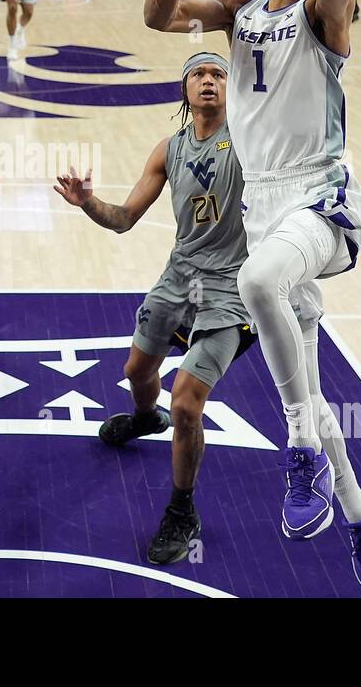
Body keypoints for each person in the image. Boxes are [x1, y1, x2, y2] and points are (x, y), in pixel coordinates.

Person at [142, 0, 361, 596]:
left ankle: (300, 457)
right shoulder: (243, 10)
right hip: (265, 213)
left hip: (320, 200)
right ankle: (360, 517)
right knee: (314, 390)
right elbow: (157, 16)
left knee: (255, 283)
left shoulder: (329, 11)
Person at [56, 52, 284, 565]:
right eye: (199, 75)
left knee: (186, 401)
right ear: (184, 90)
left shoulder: (250, 140)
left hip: (231, 289)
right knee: (137, 370)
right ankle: (143, 417)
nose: (209, 81)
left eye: (219, 75)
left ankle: (182, 509)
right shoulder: (169, 150)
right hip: (179, 277)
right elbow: (123, 219)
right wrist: (88, 202)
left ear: (232, 87)